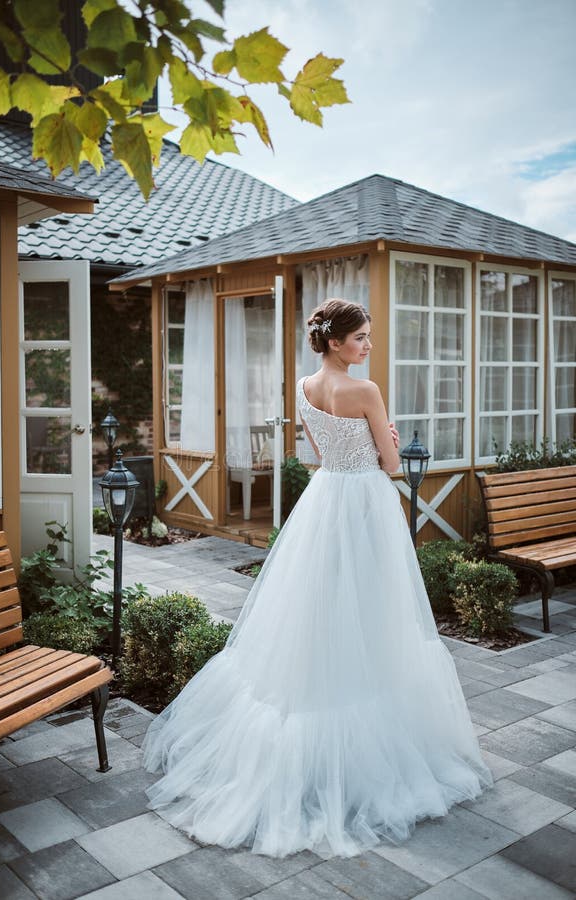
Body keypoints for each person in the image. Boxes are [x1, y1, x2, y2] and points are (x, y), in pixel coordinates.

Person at [143, 298, 492, 858]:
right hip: (364, 506)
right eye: (360, 339)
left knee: (318, 607)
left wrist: (373, 443)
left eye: (369, 338)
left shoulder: (306, 387)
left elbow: (323, 450)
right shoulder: (367, 391)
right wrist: (393, 442)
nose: (368, 347)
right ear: (335, 342)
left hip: (325, 499)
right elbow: (391, 466)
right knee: (374, 609)